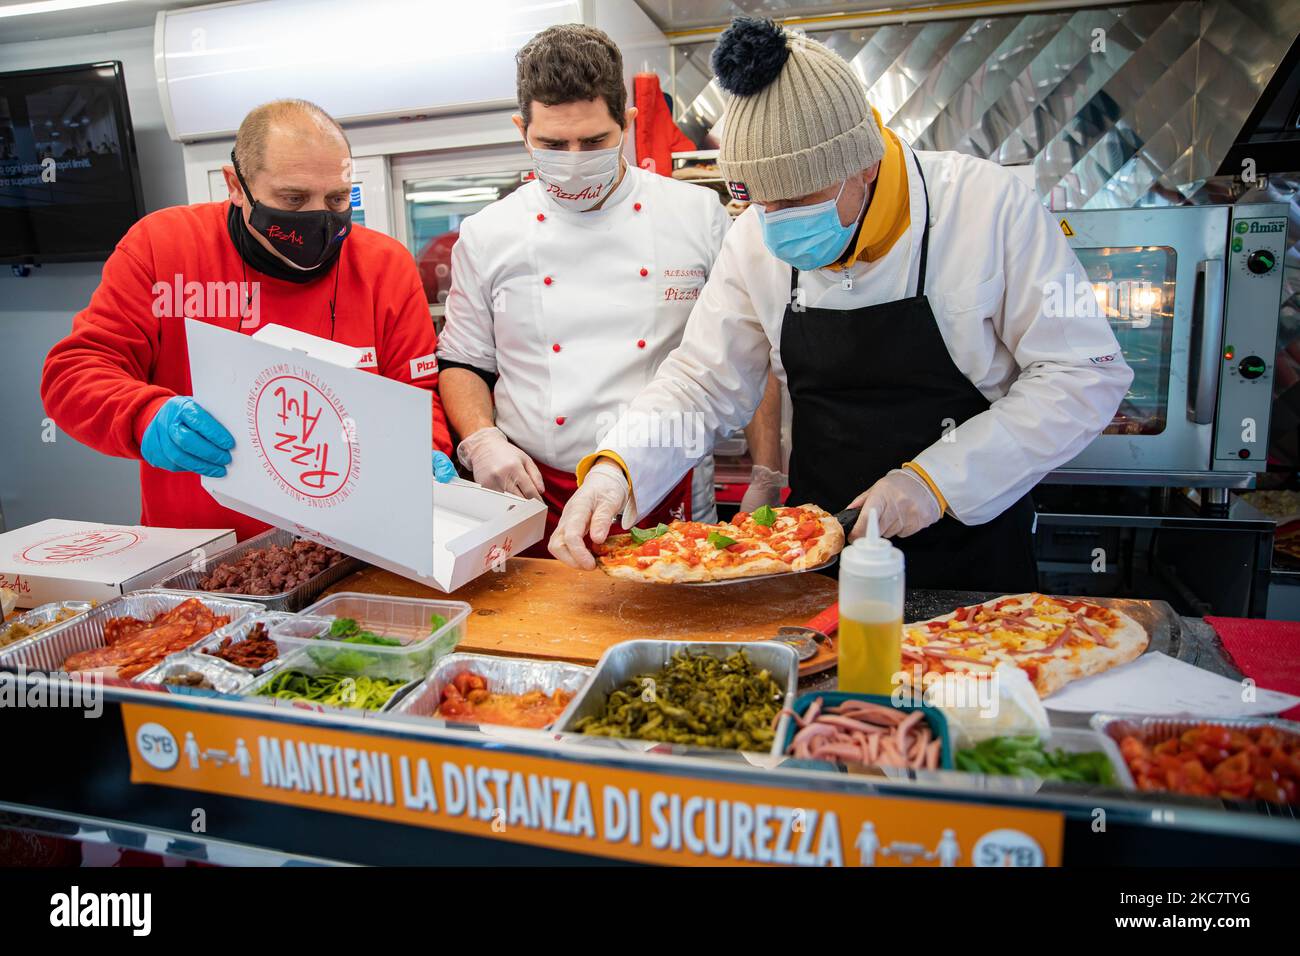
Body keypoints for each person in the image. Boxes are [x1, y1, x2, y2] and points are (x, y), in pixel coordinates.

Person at [549, 18, 1133, 592]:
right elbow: (702, 381)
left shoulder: (987, 209)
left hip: (973, 551)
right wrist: (616, 469)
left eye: (797, 198)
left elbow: (1082, 375)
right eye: (762, 202)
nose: (774, 224)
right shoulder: (755, 239)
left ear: (865, 163)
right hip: (812, 552)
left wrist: (934, 483)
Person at [42, 99, 456, 540]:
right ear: (235, 186)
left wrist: (422, 450)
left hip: (354, 545)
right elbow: (74, 373)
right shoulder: (162, 248)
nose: (318, 217)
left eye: (337, 198)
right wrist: (145, 416)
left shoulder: (384, 267)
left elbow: (416, 394)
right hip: (201, 552)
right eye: (292, 199)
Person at [436, 24, 738, 552]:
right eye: (552, 144)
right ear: (520, 129)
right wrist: (481, 439)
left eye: (595, 141)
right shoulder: (487, 234)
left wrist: (764, 472)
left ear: (628, 123)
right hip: (536, 489)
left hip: (666, 481)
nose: (574, 160)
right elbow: (465, 361)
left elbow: (742, 348)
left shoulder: (698, 216)